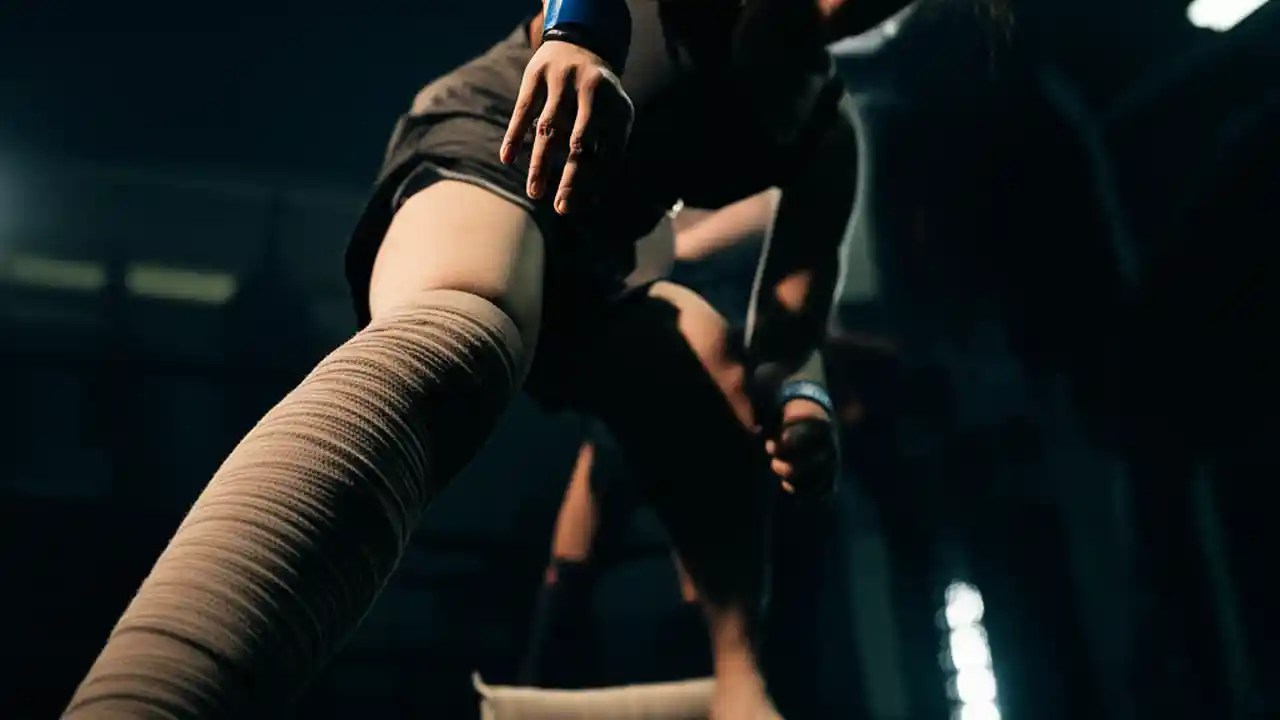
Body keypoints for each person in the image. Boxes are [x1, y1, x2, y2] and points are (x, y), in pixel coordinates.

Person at [64, 1, 903, 716]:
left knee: (713, 364)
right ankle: (154, 692)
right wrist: (579, 32)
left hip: (600, 263)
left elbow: (790, 334)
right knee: (465, 335)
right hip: (502, 147)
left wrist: (804, 402)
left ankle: (738, 682)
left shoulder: (827, 135)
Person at [518, 191, 780, 688]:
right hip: (642, 354)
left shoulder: (760, 183)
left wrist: (664, 250)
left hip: (712, 372)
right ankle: (537, 683)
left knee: (705, 561)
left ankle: (723, 683)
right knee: (572, 553)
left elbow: (773, 209)